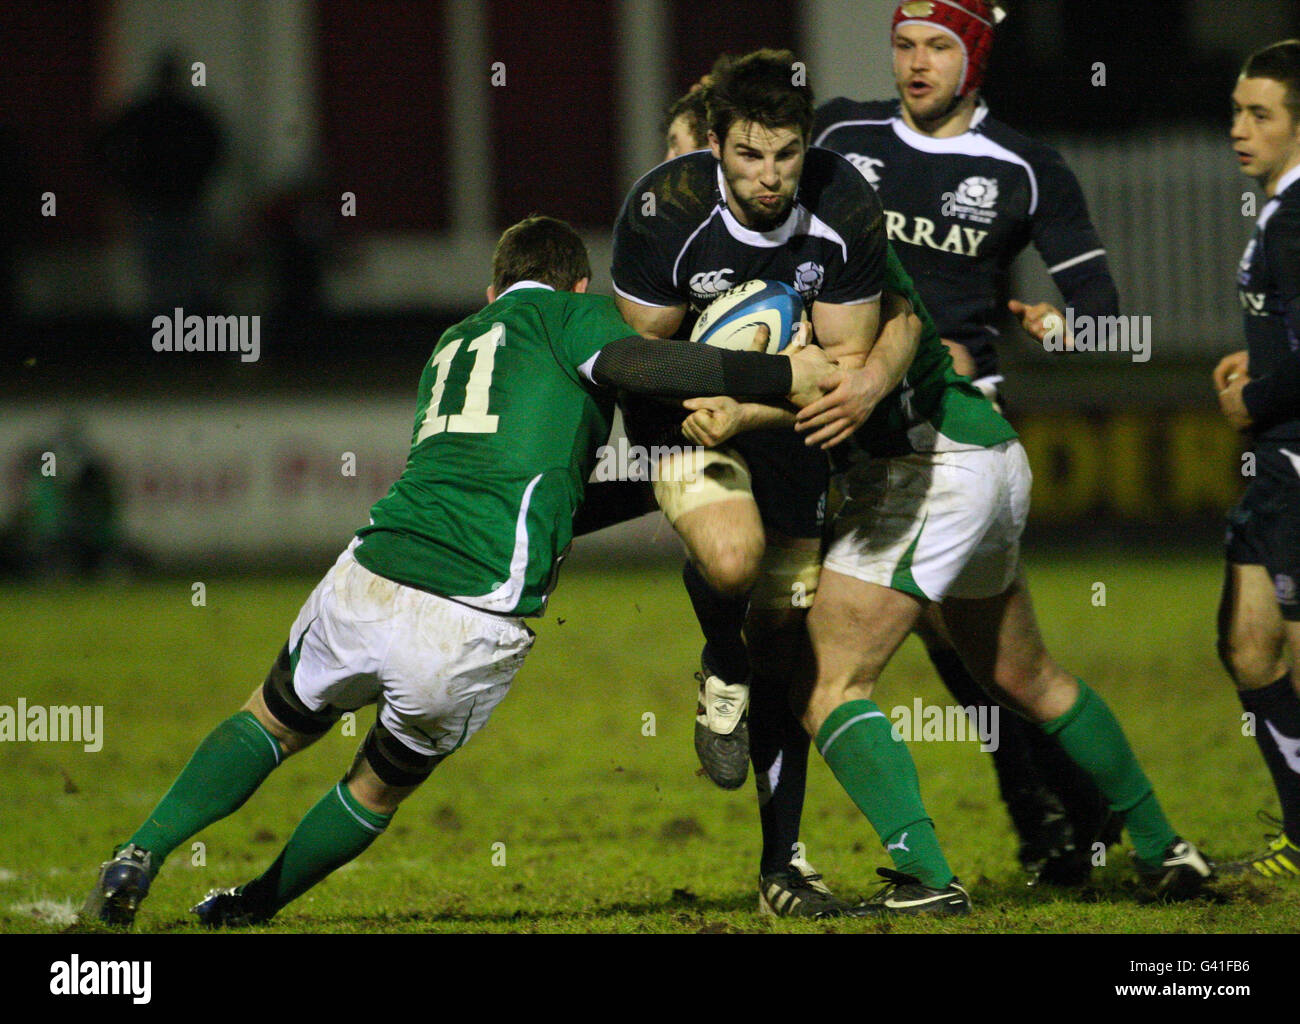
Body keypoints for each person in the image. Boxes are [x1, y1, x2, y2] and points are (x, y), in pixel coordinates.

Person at [76, 214, 841, 928]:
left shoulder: (454, 343)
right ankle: (252, 905)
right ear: (578, 286)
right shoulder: (570, 315)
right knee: (374, 785)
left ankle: (139, 850)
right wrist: (779, 375)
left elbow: (530, 493)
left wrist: (652, 484)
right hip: (469, 617)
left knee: (271, 720)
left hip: (375, 569)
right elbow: (645, 363)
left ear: (491, 290)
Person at [811, 0, 1123, 882]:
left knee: (957, 648)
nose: (916, 64)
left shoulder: (1027, 168)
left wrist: (1065, 329)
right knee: (968, 652)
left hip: (956, 426)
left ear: (974, 58)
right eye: (904, 45)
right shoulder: (842, 131)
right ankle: (1073, 816)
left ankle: (1055, 822)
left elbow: (1100, 311)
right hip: (852, 411)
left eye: (938, 47)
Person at [612, 49, 926, 916]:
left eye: (786, 155)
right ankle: (720, 663)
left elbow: (849, 367)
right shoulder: (662, 211)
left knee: (786, 646)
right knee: (730, 560)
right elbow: (634, 361)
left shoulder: (842, 207)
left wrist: (754, 402)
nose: (770, 176)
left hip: (786, 435)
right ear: (716, 145)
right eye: (750, 155)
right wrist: (741, 376)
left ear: (806, 143)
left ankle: (781, 865)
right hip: (684, 420)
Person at [1214, 39, 1300, 880]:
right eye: (1237, 110)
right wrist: (1257, 368)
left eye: (1260, 114)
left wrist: (1259, 399)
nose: (1239, 128)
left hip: (1296, 460)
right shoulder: (1276, 211)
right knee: (1246, 645)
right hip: (1274, 463)